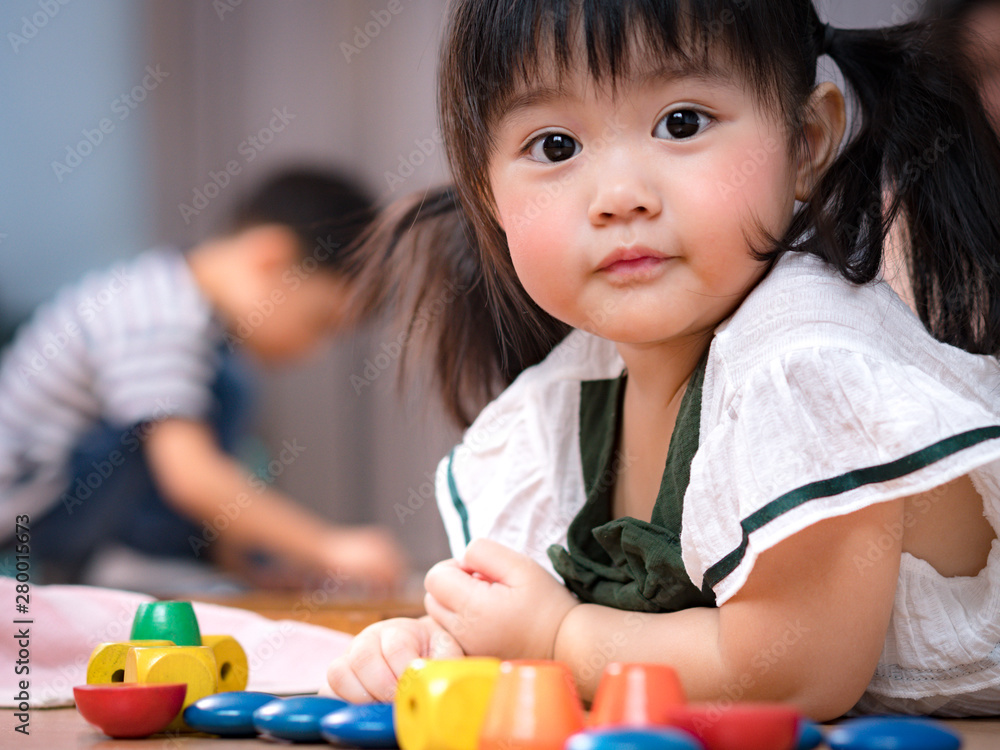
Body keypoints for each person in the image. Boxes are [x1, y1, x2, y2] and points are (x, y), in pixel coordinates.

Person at [327, 0, 1000, 720]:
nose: (620, 198)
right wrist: (436, 647)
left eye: (682, 123)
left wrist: (554, 638)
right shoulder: (571, 393)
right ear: (487, 193)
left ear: (806, 142)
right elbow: (533, 614)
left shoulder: (804, 359)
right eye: (555, 146)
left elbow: (789, 673)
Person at [0, 168, 407, 589]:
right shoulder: (159, 313)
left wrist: (250, 569)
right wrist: (328, 546)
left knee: (219, 390)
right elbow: (191, 477)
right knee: (205, 405)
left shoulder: (187, 307)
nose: (314, 350)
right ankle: (112, 570)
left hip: (71, 513)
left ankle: (176, 567)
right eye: (318, 323)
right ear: (270, 259)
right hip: (26, 523)